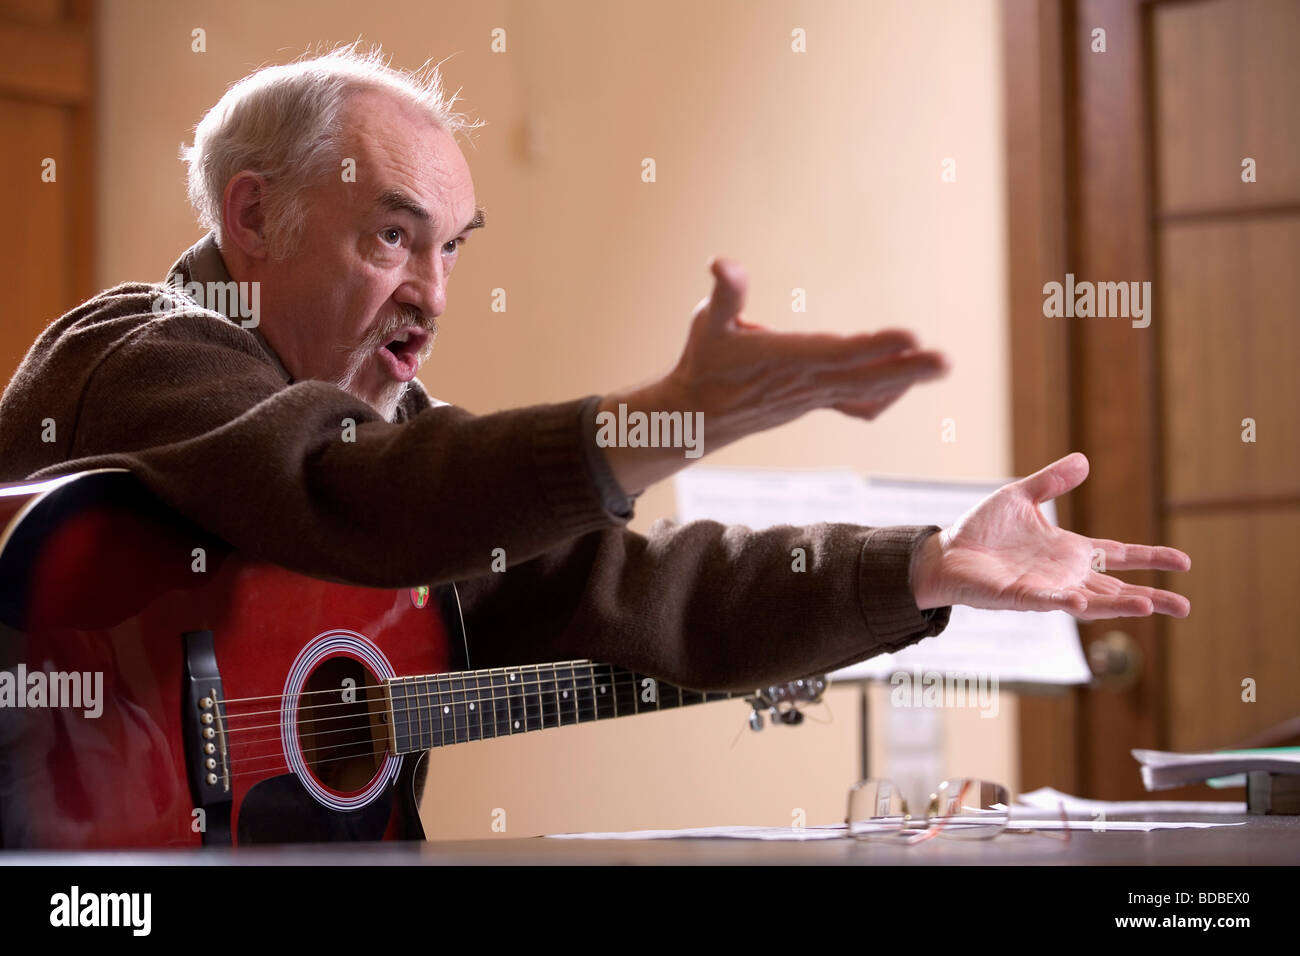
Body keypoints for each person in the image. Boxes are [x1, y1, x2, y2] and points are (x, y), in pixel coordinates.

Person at [0, 46, 1190, 692]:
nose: (433, 291)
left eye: (451, 250)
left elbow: (641, 589)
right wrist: (669, 420)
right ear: (250, 219)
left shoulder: (390, 434)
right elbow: (352, 494)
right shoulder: (142, 354)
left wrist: (925, 569)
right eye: (390, 235)